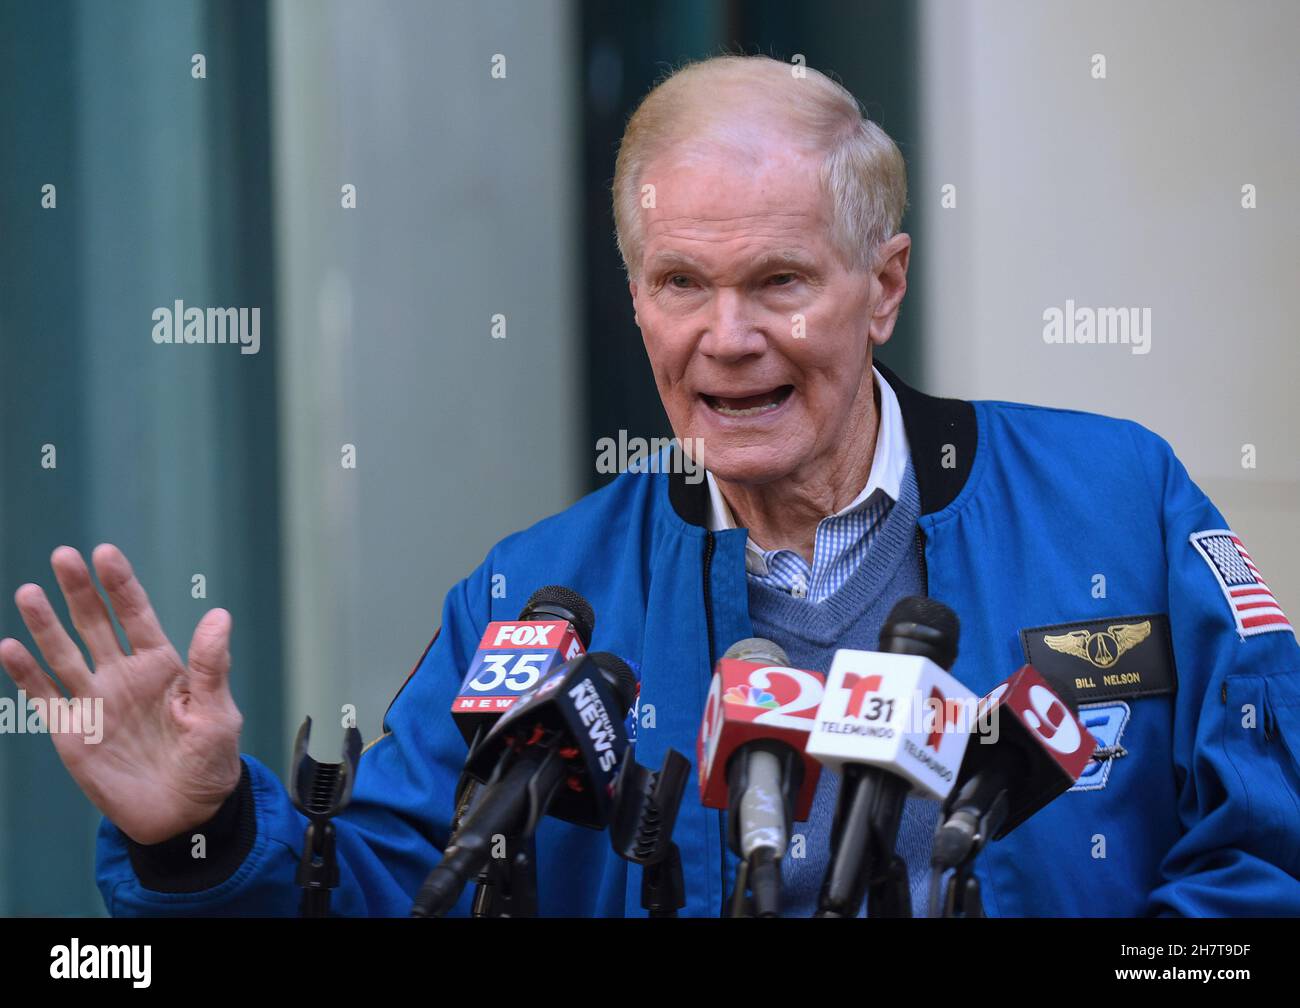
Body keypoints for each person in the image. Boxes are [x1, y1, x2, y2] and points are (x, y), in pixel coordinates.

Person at [3, 55, 1297, 917]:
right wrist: (207, 832)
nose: (725, 336)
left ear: (885, 285)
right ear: (636, 300)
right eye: (682, 284)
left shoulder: (1117, 501)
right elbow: (391, 893)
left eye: (779, 281)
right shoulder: (535, 598)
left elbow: (1269, 856)